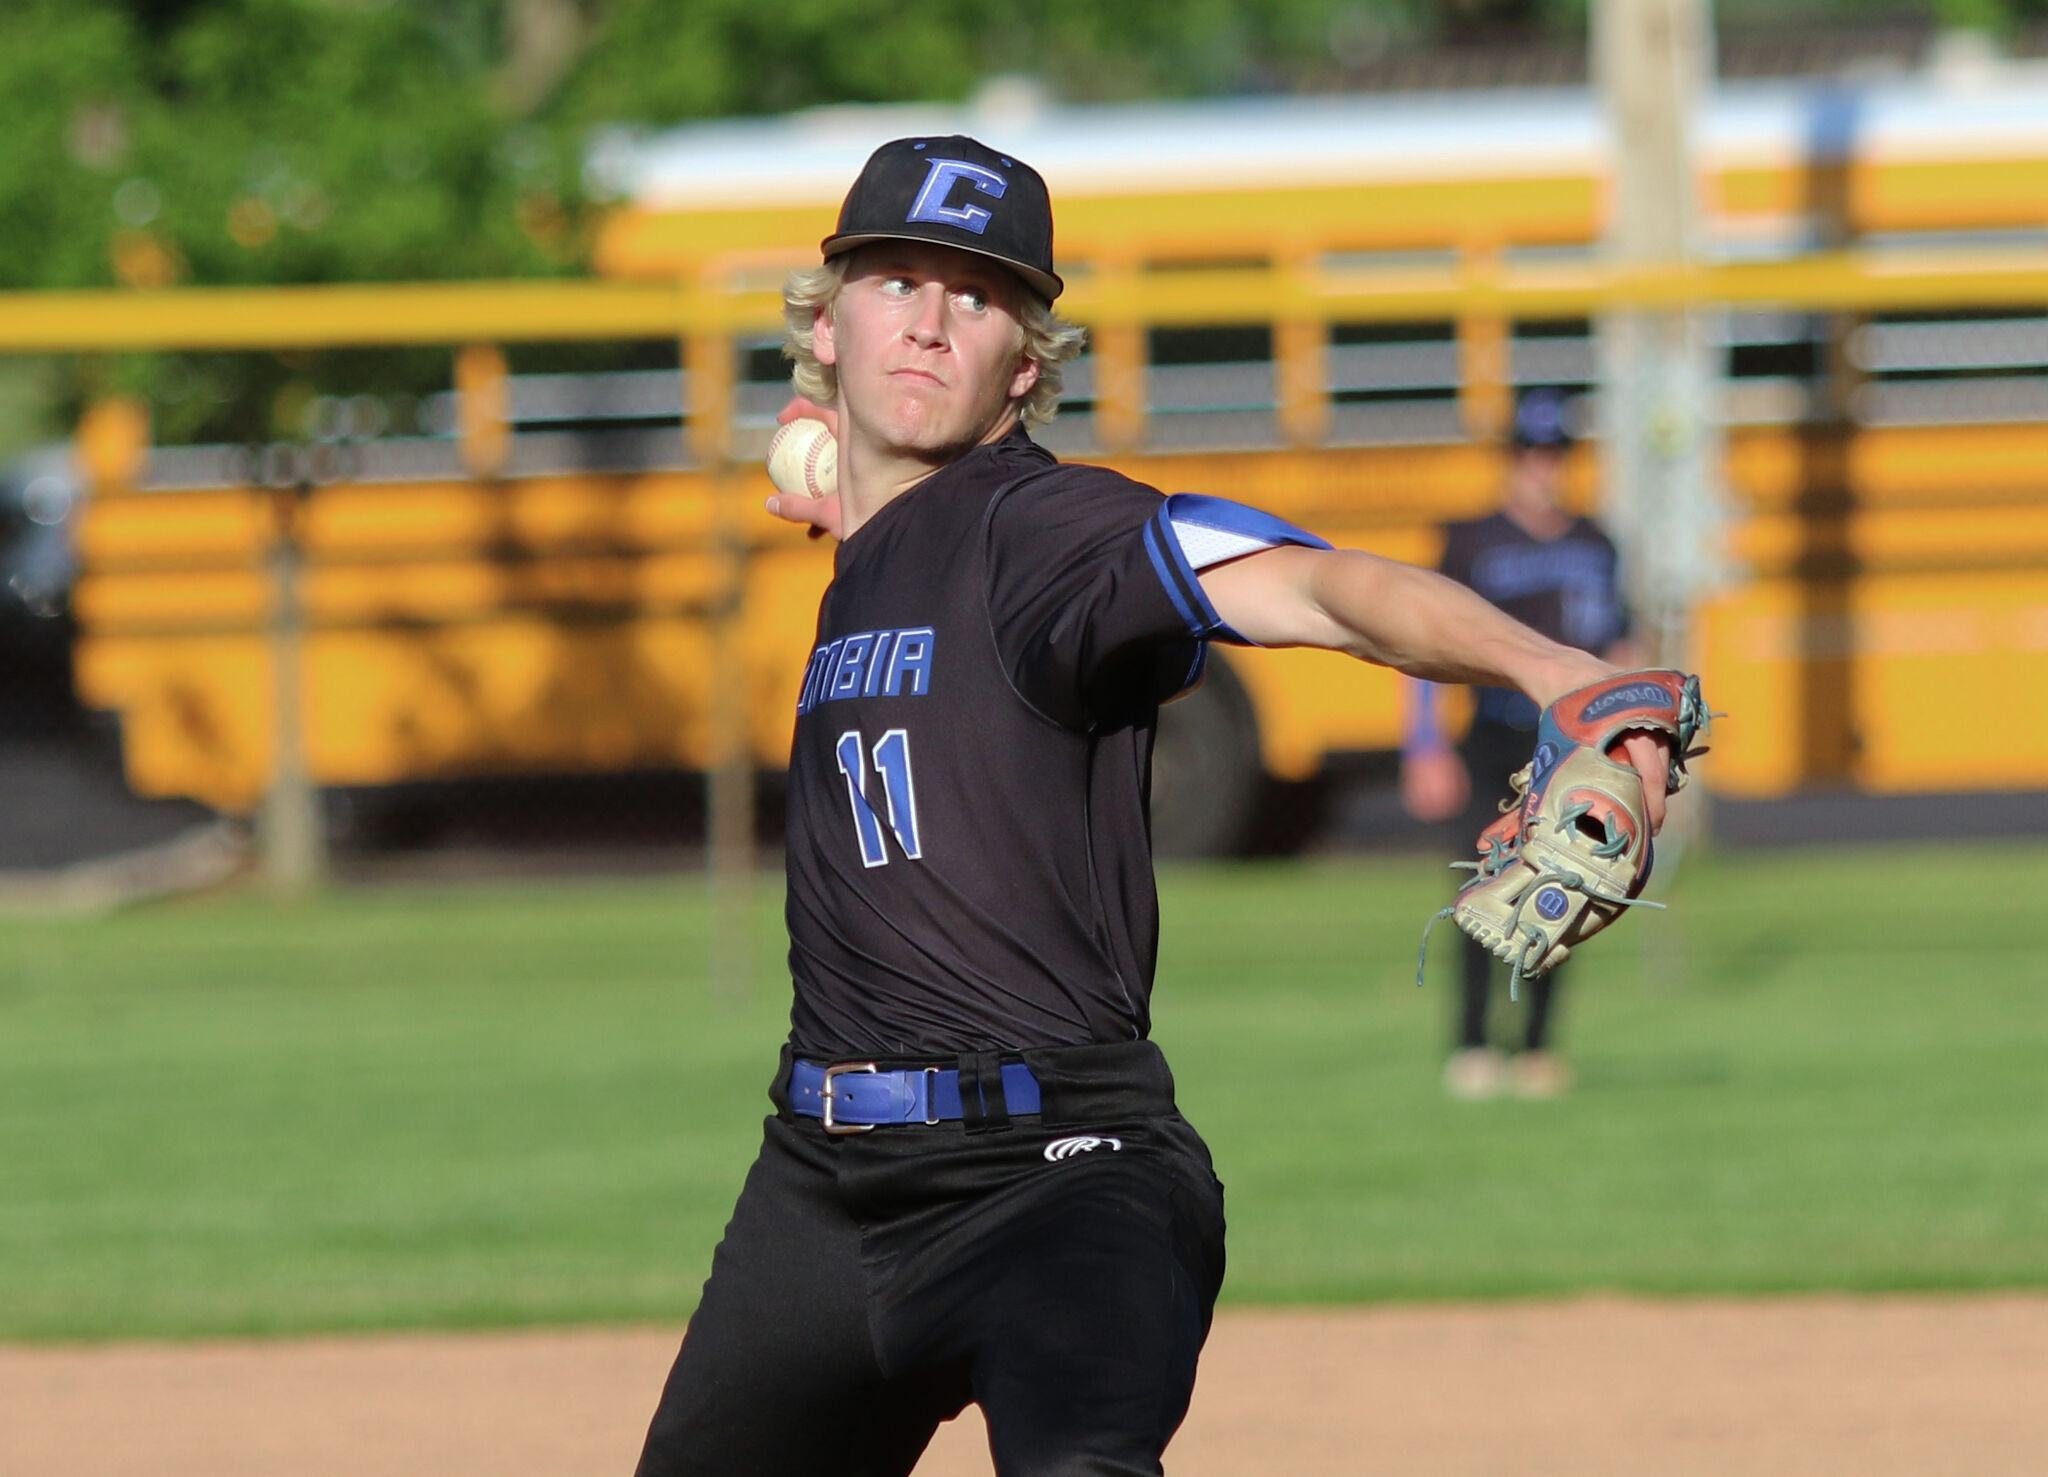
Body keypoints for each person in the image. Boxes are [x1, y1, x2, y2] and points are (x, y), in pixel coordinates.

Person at [634, 137, 1672, 1477]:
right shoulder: (876, 533)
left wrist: (1560, 671)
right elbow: (898, 518)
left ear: (1027, 364)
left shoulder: (1052, 532)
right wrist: (857, 500)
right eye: (895, 280)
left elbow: (1313, 587)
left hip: (1058, 1176)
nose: (932, 318)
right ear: (824, 328)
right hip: (818, 1189)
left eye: (979, 293)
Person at [1399, 388, 1635, 1101]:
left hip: (1567, 739)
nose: (1543, 467)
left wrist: (1636, 737)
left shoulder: (1595, 543)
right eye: (1530, 452)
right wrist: (1424, 743)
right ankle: (1473, 1043)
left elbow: (1620, 645)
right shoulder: (1471, 540)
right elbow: (1424, 646)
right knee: (1482, 885)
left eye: (1554, 452)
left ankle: (1537, 1046)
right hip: (1491, 730)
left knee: (1564, 885)